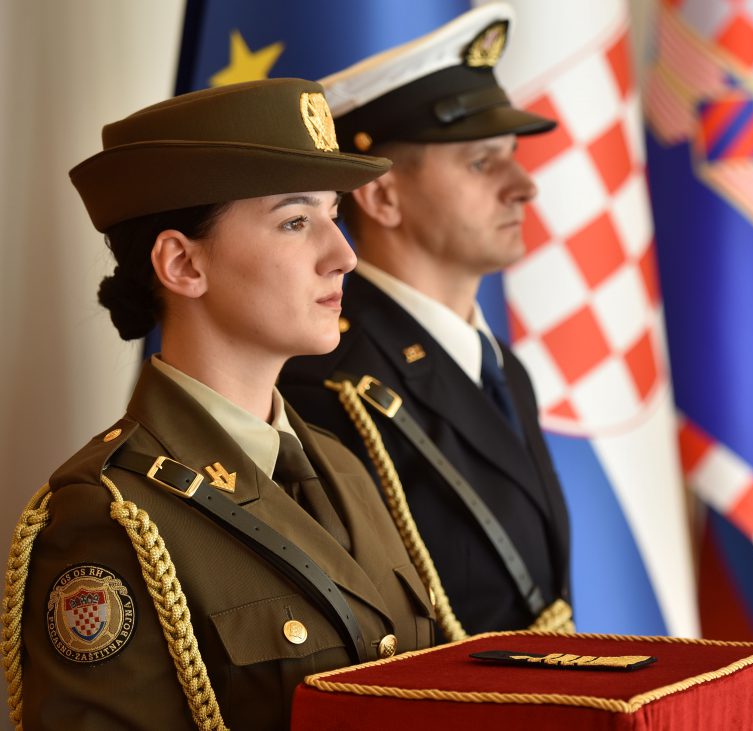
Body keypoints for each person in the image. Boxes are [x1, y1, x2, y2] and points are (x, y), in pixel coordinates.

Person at [3, 78, 435, 730]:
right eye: (296, 221)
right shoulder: (110, 515)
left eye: (334, 215)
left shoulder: (344, 465)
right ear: (182, 263)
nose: (343, 254)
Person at [278, 3, 571, 639]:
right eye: (481, 162)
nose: (524, 185)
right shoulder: (331, 386)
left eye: (512, 157)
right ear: (382, 196)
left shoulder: (498, 366)